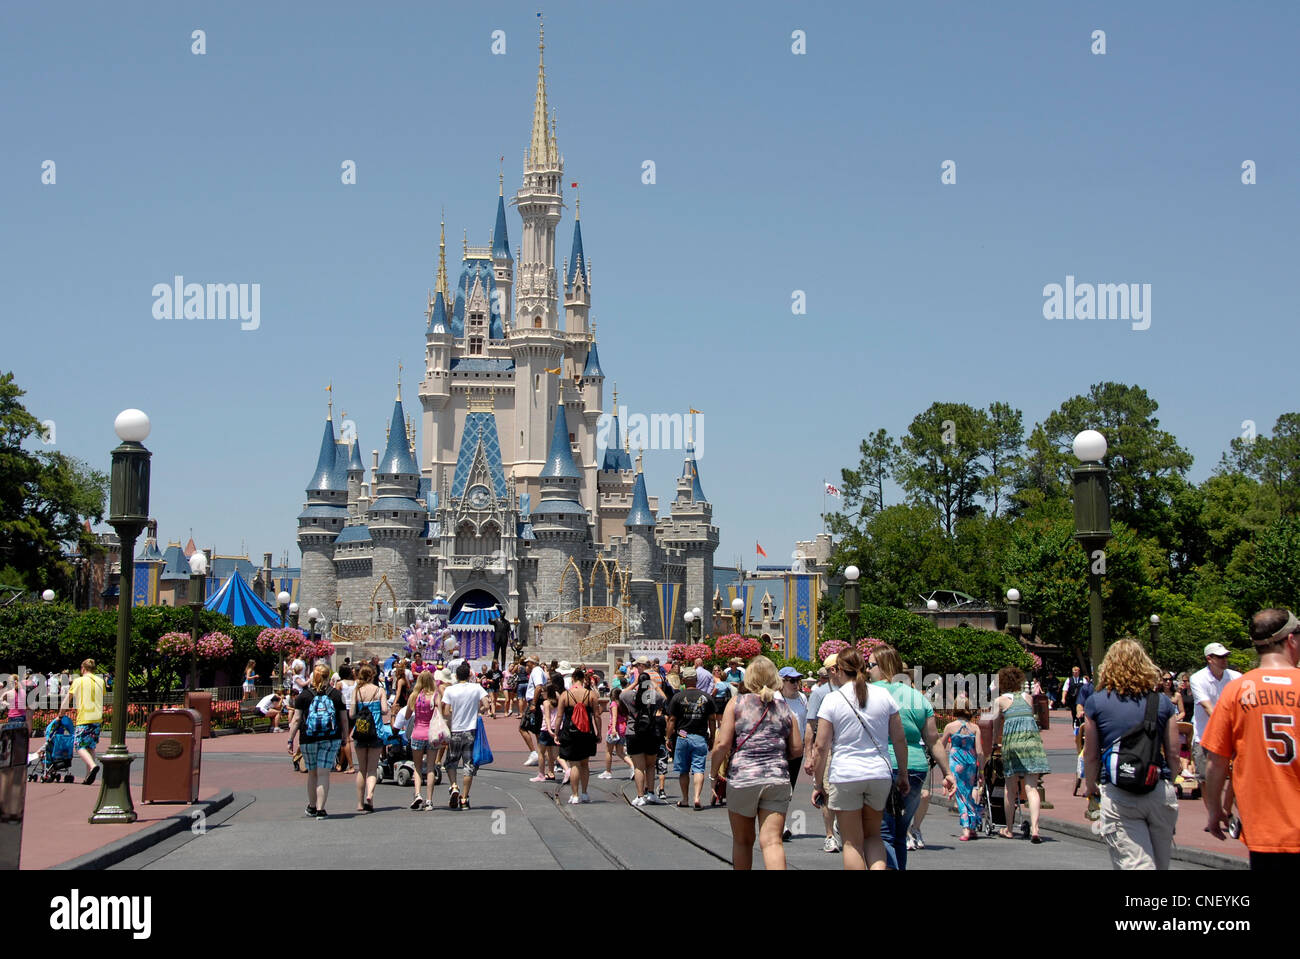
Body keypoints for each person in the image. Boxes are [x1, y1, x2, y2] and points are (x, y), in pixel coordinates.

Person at [1202, 608, 1300, 869]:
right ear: (1290, 639)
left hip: (1263, 830)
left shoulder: (1237, 690)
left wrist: (1214, 810)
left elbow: (1216, 762)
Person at [1081, 639, 1181, 869]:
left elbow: (1091, 754)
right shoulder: (1162, 703)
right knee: (1160, 864)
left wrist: (1090, 785)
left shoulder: (1096, 703)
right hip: (1158, 788)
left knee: (1136, 865)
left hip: (1119, 792)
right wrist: (1171, 779)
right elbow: (1174, 752)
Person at [808, 648, 907, 870]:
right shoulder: (884, 696)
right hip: (879, 774)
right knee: (873, 836)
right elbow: (899, 739)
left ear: (840, 670)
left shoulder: (832, 699)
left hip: (845, 775)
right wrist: (903, 773)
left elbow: (821, 745)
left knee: (852, 842)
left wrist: (817, 783)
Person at [712, 656, 801, 870]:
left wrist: (713, 774)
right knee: (772, 842)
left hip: (744, 778)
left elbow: (722, 744)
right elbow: (798, 748)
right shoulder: (784, 708)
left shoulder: (737, 703)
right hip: (776, 778)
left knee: (743, 841)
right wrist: (777, 756)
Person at [869, 644, 954, 868]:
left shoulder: (872, 693)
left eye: (871, 665)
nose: (868, 670)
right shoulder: (917, 697)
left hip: (885, 765)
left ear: (884, 666)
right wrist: (947, 772)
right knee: (899, 833)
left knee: (884, 833)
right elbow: (933, 739)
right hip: (917, 766)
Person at [990, 666, 1050, 842]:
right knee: (1032, 788)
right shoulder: (1028, 698)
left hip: (1013, 744)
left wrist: (995, 742)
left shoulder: (1000, 701)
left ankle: (1008, 828)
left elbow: (995, 724)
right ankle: (1035, 828)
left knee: (1011, 788)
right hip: (1031, 743)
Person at [1190, 642, 1242, 824]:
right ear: (1209, 659)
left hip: (1233, 735)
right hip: (1205, 735)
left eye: (1226, 656)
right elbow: (1207, 707)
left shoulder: (1237, 677)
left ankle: (1225, 812)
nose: (1224, 660)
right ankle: (1213, 812)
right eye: (1220, 657)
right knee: (1205, 778)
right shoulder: (1197, 678)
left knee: (1236, 774)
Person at [288, 664, 349, 818]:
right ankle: (321, 809)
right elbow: (343, 719)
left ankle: (312, 806)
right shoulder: (336, 695)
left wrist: (290, 739)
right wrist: (345, 736)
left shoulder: (304, 696)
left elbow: (296, 719)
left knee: (312, 774)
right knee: (324, 774)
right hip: (331, 737)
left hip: (308, 737)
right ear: (328, 676)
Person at [804, 654, 844, 853]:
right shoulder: (820, 693)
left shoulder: (857, 690)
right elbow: (811, 726)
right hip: (827, 750)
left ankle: (841, 825)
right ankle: (829, 835)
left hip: (846, 749)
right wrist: (810, 754)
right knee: (827, 793)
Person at [442, 661, 491, 809]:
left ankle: (454, 786)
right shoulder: (476, 688)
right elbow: (487, 704)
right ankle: (464, 797)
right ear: (469, 675)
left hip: (456, 729)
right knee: (468, 764)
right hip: (471, 729)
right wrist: (479, 711)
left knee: (451, 761)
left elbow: (445, 712)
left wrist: (454, 713)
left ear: (456, 676)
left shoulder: (450, 690)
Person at [666, 670, 715, 809]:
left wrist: (668, 737)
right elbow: (712, 719)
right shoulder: (706, 697)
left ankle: (685, 799)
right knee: (699, 769)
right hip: (700, 736)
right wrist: (712, 737)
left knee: (683, 770)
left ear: (683, 680)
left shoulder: (678, 697)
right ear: (696, 679)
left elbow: (672, 719)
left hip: (683, 735)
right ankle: (697, 798)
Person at [621, 663, 668, 805]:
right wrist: (655, 685)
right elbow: (664, 698)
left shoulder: (630, 696)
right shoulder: (653, 696)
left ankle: (640, 796)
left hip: (633, 733)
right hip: (651, 733)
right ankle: (652, 793)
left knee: (639, 767)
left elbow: (621, 694)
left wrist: (635, 682)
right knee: (650, 765)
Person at [941, 696, 984, 840]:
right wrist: (982, 770)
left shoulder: (950, 727)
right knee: (969, 792)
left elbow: (940, 746)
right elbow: (979, 751)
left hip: (956, 762)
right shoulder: (975, 728)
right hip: (971, 762)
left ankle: (966, 827)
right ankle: (972, 826)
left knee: (960, 793)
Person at [557, 666, 602, 804]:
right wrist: (599, 732)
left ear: (572, 679)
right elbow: (596, 716)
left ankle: (574, 795)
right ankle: (584, 793)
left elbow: (559, 716)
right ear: (583, 680)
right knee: (585, 764)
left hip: (570, 732)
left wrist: (556, 732)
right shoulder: (591, 695)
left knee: (574, 764)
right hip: (586, 732)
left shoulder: (566, 695)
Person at [350, 663, 387, 813]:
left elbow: (351, 713)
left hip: (360, 731)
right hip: (376, 731)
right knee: (372, 769)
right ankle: (370, 795)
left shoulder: (357, 691)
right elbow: (385, 710)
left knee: (361, 769)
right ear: (372, 676)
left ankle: (359, 803)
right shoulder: (379, 691)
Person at [61, 659, 104, 785]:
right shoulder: (100, 681)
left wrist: (60, 714)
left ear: (83, 668)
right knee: (90, 746)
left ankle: (92, 765)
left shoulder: (78, 681)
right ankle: (87, 776)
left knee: (79, 745)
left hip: (84, 716)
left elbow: (67, 700)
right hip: (97, 717)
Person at [777, 667, 807, 841]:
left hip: (797, 749)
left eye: (798, 680)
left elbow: (806, 722)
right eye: (792, 680)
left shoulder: (803, 698)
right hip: (780, 749)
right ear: (781, 682)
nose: (796, 684)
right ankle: (780, 824)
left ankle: (782, 820)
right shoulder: (776, 698)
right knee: (780, 788)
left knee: (790, 788)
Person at [406, 671, 441, 810]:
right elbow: (440, 713)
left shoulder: (414, 696)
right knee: (431, 767)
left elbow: (408, 715)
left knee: (417, 766)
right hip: (431, 734)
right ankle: (429, 800)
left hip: (417, 733)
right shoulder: (435, 696)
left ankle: (417, 794)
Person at [599, 685, 634, 780]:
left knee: (608, 751)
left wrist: (613, 729)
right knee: (620, 752)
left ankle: (608, 771)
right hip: (623, 729)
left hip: (615, 730)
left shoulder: (614, 704)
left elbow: (614, 717)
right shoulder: (623, 704)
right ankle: (632, 766)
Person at [523, 655, 547, 767]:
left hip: (534, 702)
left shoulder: (536, 671)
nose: (526, 665)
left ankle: (534, 753)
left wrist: (533, 703)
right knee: (537, 731)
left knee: (523, 728)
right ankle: (542, 754)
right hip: (536, 702)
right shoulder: (538, 671)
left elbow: (538, 687)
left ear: (532, 663)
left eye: (528, 663)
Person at [335, 663, 357, 773]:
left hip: (343, 711)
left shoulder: (340, 684)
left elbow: (336, 698)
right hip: (353, 711)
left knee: (346, 738)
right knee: (346, 737)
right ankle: (340, 763)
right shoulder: (355, 683)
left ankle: (351, 766)